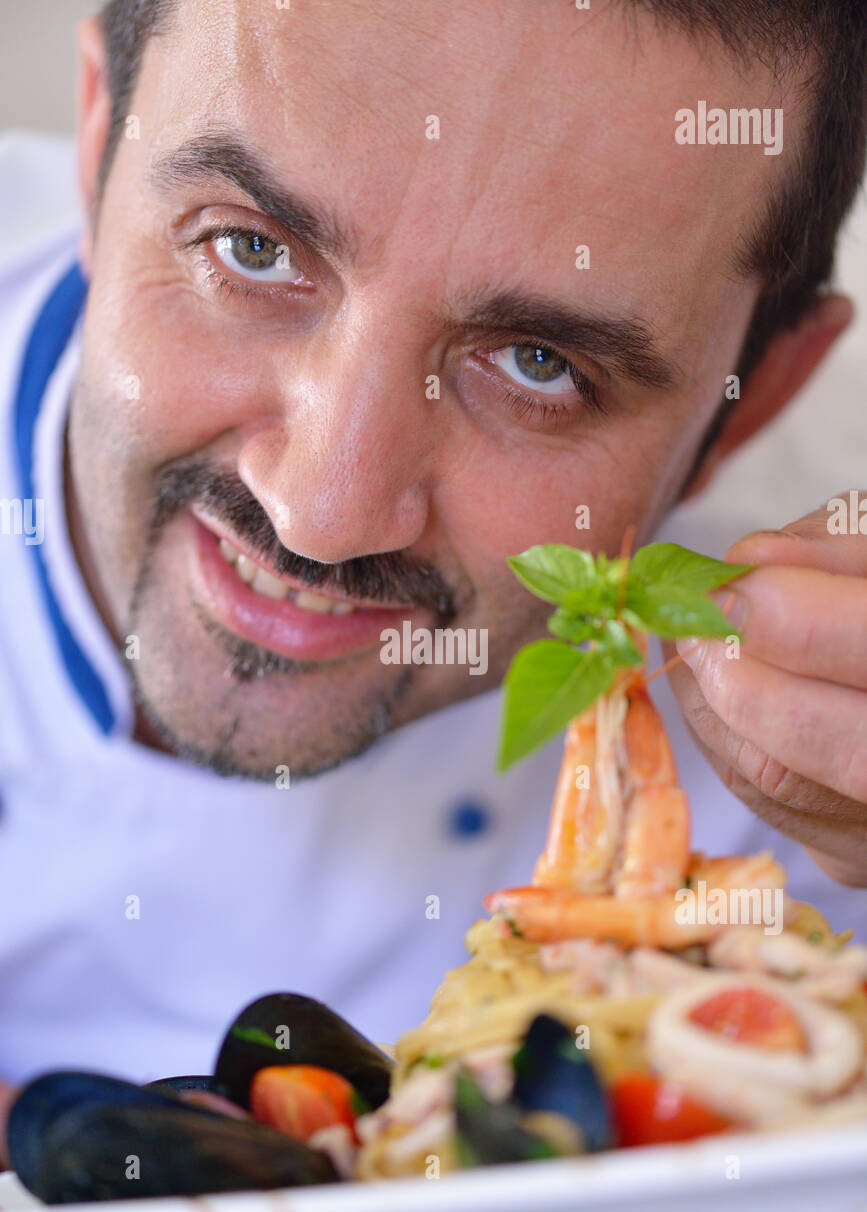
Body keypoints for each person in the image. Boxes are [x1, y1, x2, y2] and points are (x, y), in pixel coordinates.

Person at [0, 0, 864, 1142]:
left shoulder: (806, 802)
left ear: (747, 408)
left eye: (537, 364)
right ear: (100, 129)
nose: (321, 511)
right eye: (250, 247)